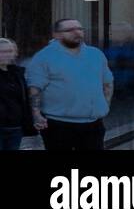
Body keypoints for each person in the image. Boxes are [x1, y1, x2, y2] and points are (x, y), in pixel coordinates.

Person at [26, 19, 113, 151]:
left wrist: (105, 105)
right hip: (58, 125)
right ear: (56, 34)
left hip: (93, 125)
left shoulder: (95, 54)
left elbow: (107, 82)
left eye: (79, 29)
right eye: (69, 30)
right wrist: (36, 115)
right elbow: (35, 88)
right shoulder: (44, 57)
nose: (76, 32)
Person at [0, 38, 36, 150]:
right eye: (2, 52)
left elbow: (23, 99)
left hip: (15, 126)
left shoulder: (18, 73)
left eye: (9, 51)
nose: (6, 55)